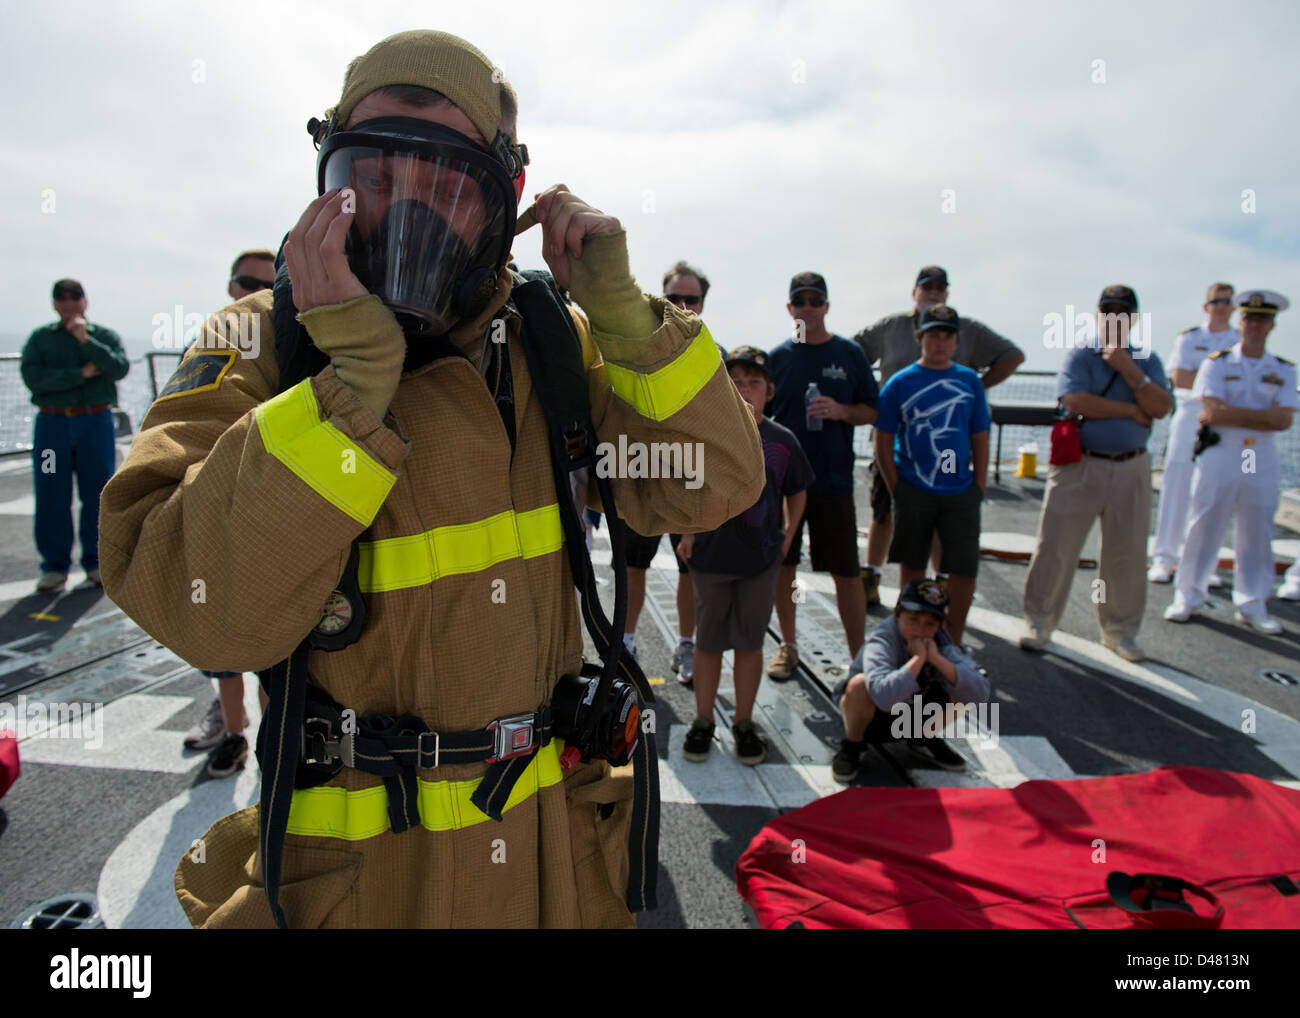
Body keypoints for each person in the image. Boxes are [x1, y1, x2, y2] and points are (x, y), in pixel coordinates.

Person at [99, 29, 764, 929]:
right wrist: (347, 392)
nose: (406, 210)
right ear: (330, 182)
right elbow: (198, 607)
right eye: (376, 176)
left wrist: (628, 318)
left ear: (505, 199)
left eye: (447, 183)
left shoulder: (548, 344)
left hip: (545, 867)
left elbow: (713, 485)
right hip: (366, 885)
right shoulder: (258, 343)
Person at [854, 266, 1023, 604]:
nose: (933, 291)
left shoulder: (968, 329)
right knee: (884, 510)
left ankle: (938, 587)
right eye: (926, 286)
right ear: (914, 292)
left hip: (946, 452)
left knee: (940, 516)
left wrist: (975, 390)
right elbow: (850, 354)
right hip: (896, 445)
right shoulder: (890, 327)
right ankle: (871, 575)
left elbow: (1013, 356)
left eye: (939, 287)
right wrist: (871, 397)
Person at [1020, 285, 1172, 662]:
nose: (1114, 318)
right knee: (1055, 547)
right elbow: (1074, 401)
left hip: (1131, 466)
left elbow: (1162, 406)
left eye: (1122, 312)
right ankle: (1039, 622)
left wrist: (1129, 371)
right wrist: (1132, 411)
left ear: (1133, 319)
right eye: (1108, 311)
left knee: (1126, 554)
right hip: (1080, 465)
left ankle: (1120, 631)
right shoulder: (1081, 355)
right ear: (1098, 315)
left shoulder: (1147, 360)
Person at [677, 346, 812, 765]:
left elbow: (798, 489)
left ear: (769, 390)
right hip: (711, 559)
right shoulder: (708, 433)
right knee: (709, 642)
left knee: (749, 643)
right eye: (735, 381)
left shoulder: (783, 439)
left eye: (753, 382)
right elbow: (688, 486)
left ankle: (743, 721)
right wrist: (686, 532)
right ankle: (703, 722)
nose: (744, 389)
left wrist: (788, 537)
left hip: (759, 562)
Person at [182, 251, 279, 778]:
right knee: (221, 645)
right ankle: (234, 732)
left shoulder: (292, 340)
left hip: (270, 519)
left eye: (270, 282)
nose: (257, 290)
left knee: (273, 652)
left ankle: (270, 745)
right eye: (248, 281)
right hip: (219, 515)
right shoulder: (213, 342)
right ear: (230, 285)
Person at [1163, 290, 1295, 634]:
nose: (1254, 325)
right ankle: (1188, 595)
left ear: (1271, 325)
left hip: (1256, 453)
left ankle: (1252, 602)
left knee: (1256, 525)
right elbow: (1212, 412)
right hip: (1222, 450)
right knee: (1204, 521)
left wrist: (1234, 414)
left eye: (1262, 319)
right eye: (1249, 318)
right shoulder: (1216, 363)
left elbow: (1283, 420)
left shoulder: (1283, 369)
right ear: (1240, 322)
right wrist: (1257, 415)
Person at [766, 272, 878, 679]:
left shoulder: (849, 354)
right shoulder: (777, 358)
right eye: (801, 301)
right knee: (784, 566)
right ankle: (788, 647)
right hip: (784, 485)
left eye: (816, 301)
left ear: (827, 307)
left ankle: (859, 659)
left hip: (833, 482)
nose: (808, 308)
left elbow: (874, 409)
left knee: (846, 573)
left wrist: (843, 411)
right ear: (790, 308)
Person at [872, 305, 990, 646]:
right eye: (933, 334)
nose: (940, 342)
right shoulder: (900, 383)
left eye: (947, 335)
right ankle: (912, 636)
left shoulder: (969, 382)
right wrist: (897, 487)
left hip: (959, 488)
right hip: (914, 487)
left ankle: (952, 637)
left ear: (955, 340)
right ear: (919, 337)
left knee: (963, 567)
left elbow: (980, 435)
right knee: (912, 563)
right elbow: (883, 438)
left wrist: (978, 486)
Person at [621, 260, 710, 682]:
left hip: (691, 481)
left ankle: (687, 645)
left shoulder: (714, 356)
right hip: (643, 476)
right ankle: (627, 644)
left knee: (688, 569)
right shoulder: (639, 346)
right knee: (633, 567)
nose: (682, 305)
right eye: (673, 297)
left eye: (691, 298)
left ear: (703, 303)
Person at [20, 279, 129, 593]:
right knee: (51, 492)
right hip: (52, 428)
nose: (68, 303)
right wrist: (79, 374)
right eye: (61, 297)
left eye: (74, 297)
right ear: (54, 303)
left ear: (85, 301)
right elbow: (34, 379)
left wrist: (86, 340)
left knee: (97, 492)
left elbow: (118, 367)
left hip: (94, 422)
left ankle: (96, 562)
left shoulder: (103, 337)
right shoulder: (41, 339)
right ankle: (54, 566)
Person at [831, 578, 990, 782]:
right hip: (873, 717)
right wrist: (918, 660)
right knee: (859, 685)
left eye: (929, 624)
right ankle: (852, 746)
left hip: (908, 713)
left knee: (965, 685)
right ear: (898, 615)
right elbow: (884, 697)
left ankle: (922, 738)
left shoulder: (941, 643)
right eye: (913, 620)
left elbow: (980, 693)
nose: (920, 630)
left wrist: (937, 660)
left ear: (939, 626)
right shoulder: (881, 639)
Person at [1148, 283, 1239, 584]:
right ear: (1206, 306)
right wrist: (1218, 387)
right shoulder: (1190, 338)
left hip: (1223, 422)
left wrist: (1208, 385)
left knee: (1211, 491)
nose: (1222, 306)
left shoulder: (1238, 341)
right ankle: (1164, 556)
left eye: (1228, 301)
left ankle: (1200, 562)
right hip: (1189, 416)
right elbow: (1180, 377)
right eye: (1217, 301)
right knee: (1176, 485)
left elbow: (1203, 379)